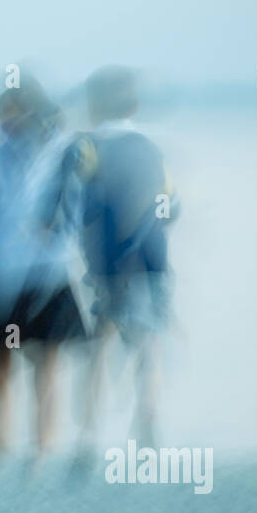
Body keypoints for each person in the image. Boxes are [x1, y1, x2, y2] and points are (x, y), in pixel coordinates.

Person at [63, 66, 179, 461]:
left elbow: (77, 208)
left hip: (107, 266)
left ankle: (88, 436)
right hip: (150, 260)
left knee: (99, 346)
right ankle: (147, 431)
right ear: (135, 104)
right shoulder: (151, 148)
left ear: (93, 106)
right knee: (150, 346)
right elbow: (171, 206)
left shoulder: (86, 148)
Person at [0, 81, 86, 459]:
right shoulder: (66, 149)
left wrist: (5, 230)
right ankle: (40, 450)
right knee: (42, 366)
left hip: (10, 276)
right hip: (46, 273)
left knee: (5, 365)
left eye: (9, 113)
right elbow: (79, 212)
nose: (6, 122)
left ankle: (5, 449)